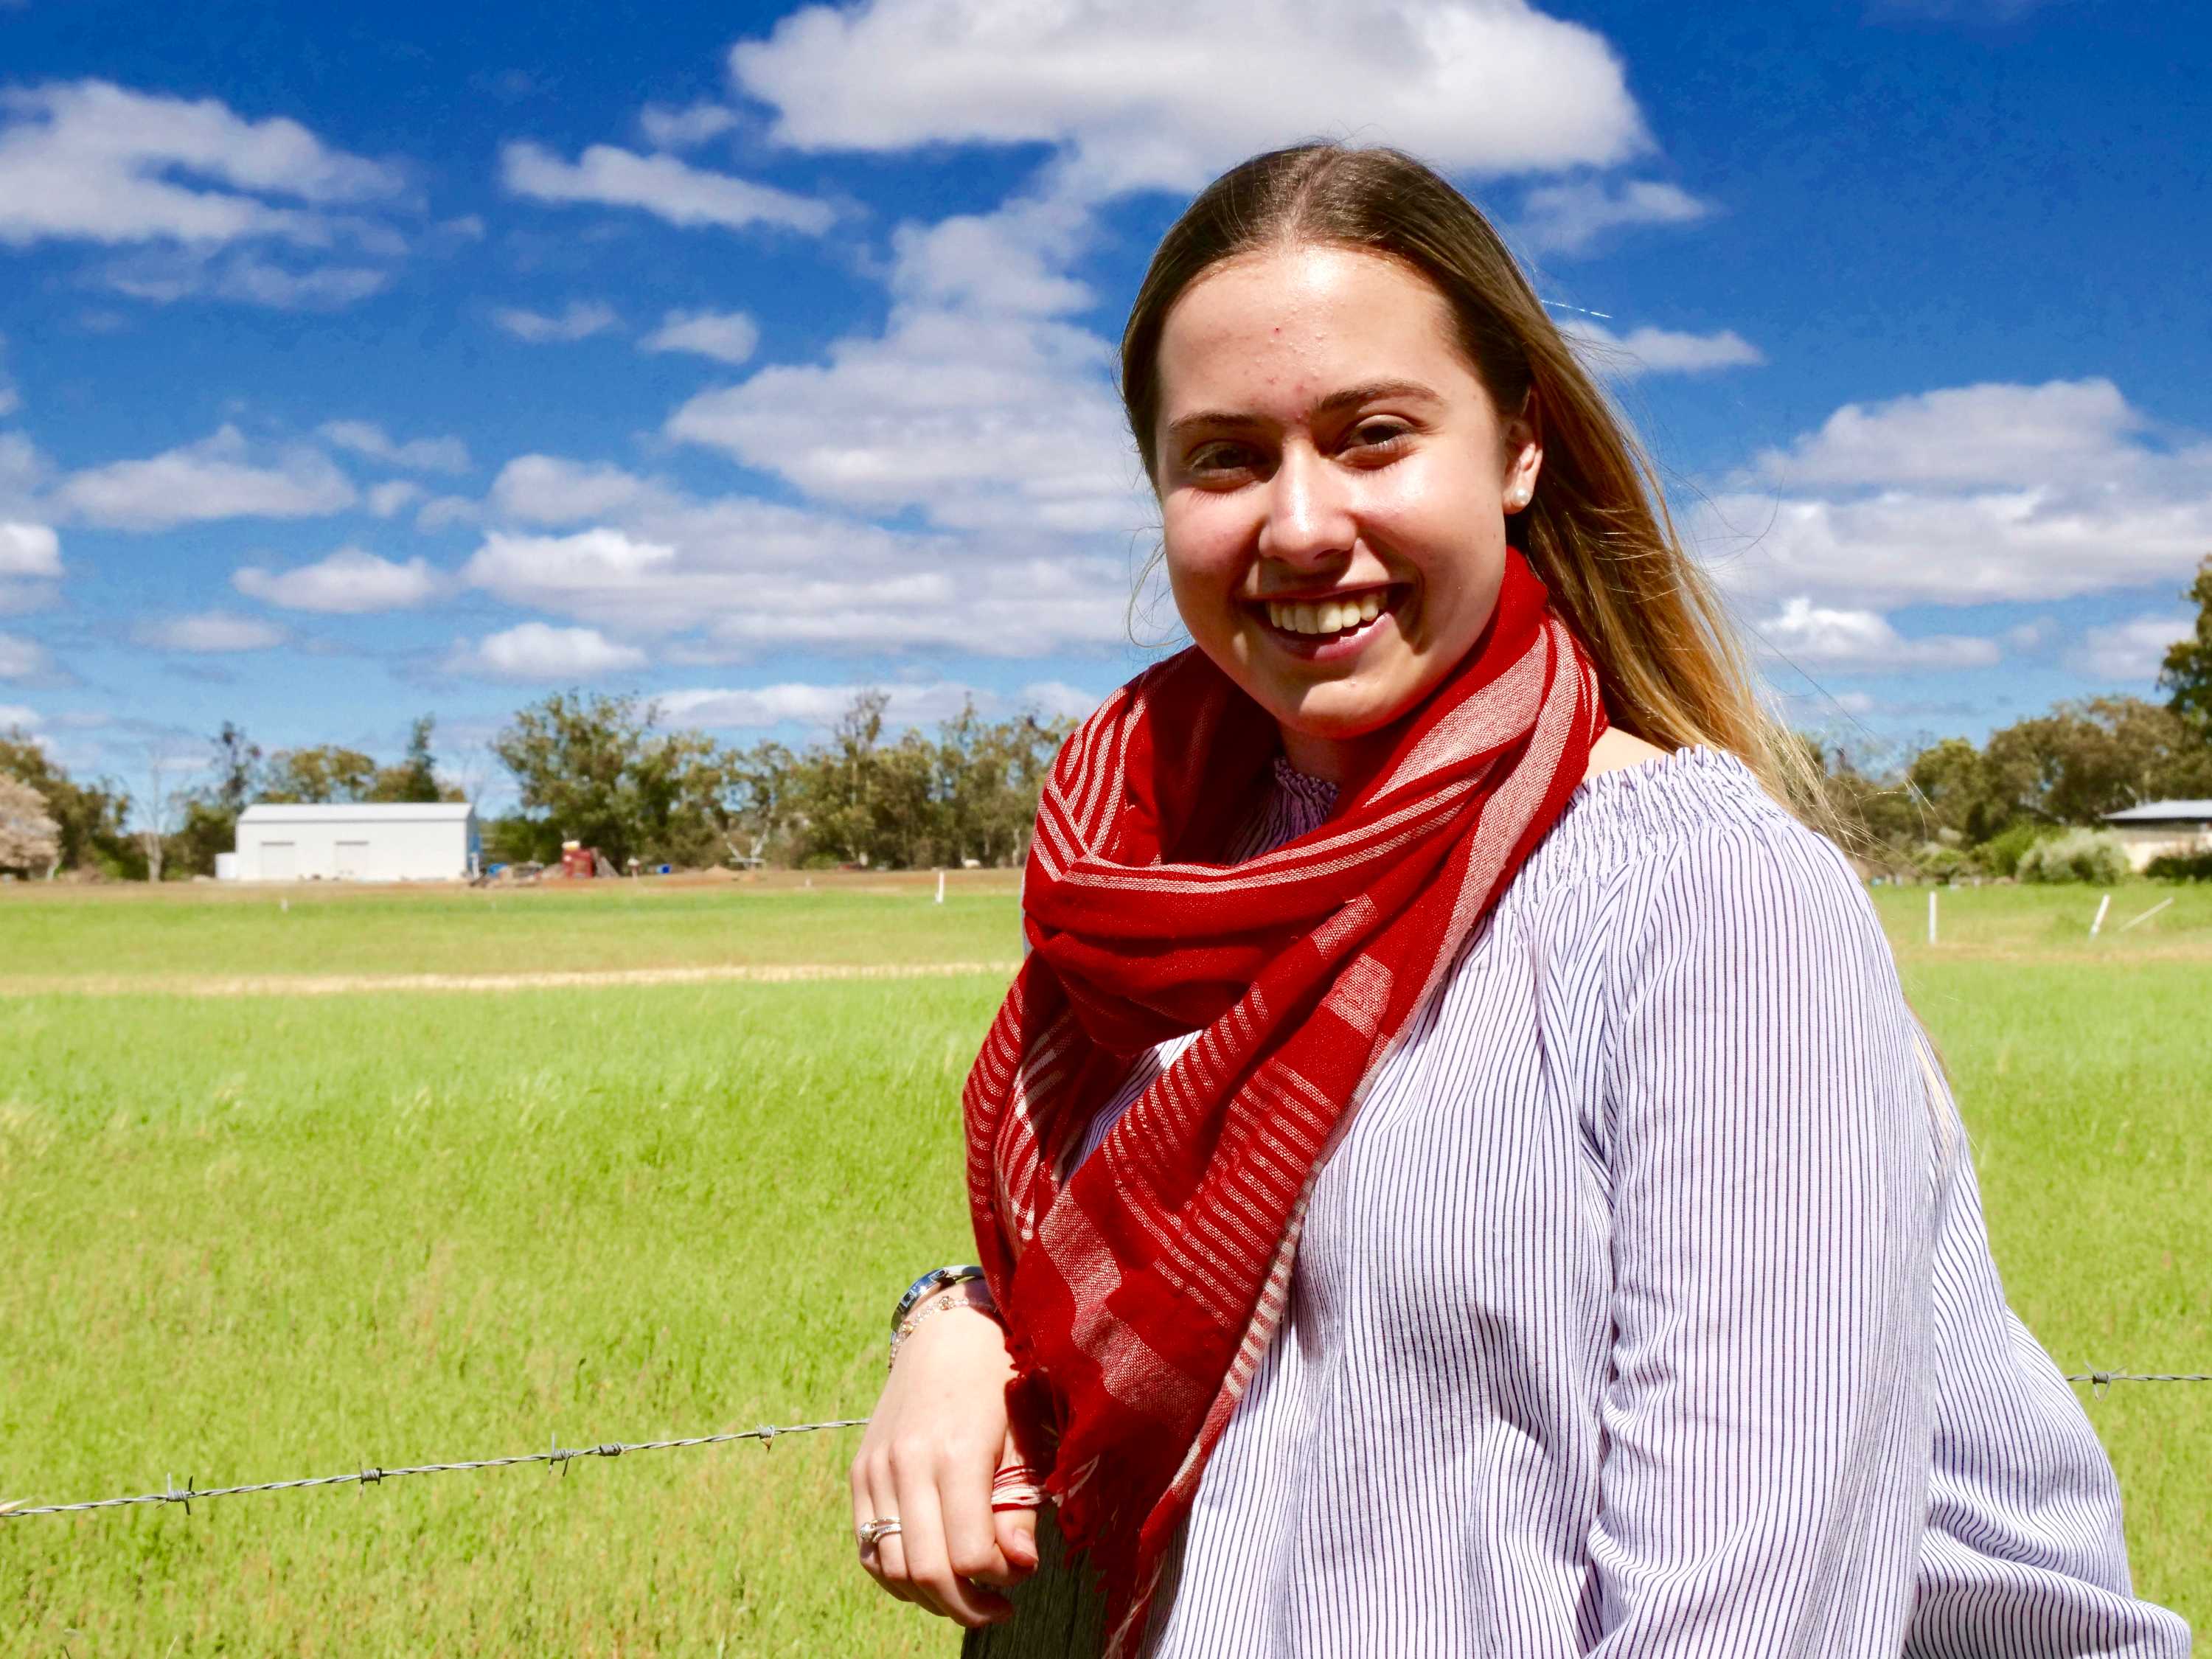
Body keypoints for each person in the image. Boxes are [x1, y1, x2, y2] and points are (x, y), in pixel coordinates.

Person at [850, 143, 2190, 1659]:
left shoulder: (1700, 899)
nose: (1299, 525)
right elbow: (1214, 1290)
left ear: (1519, 449)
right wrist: (954, 1326)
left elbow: (1751, 1620)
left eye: (1373, 436)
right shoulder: (1155, 878)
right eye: (1224, 455)